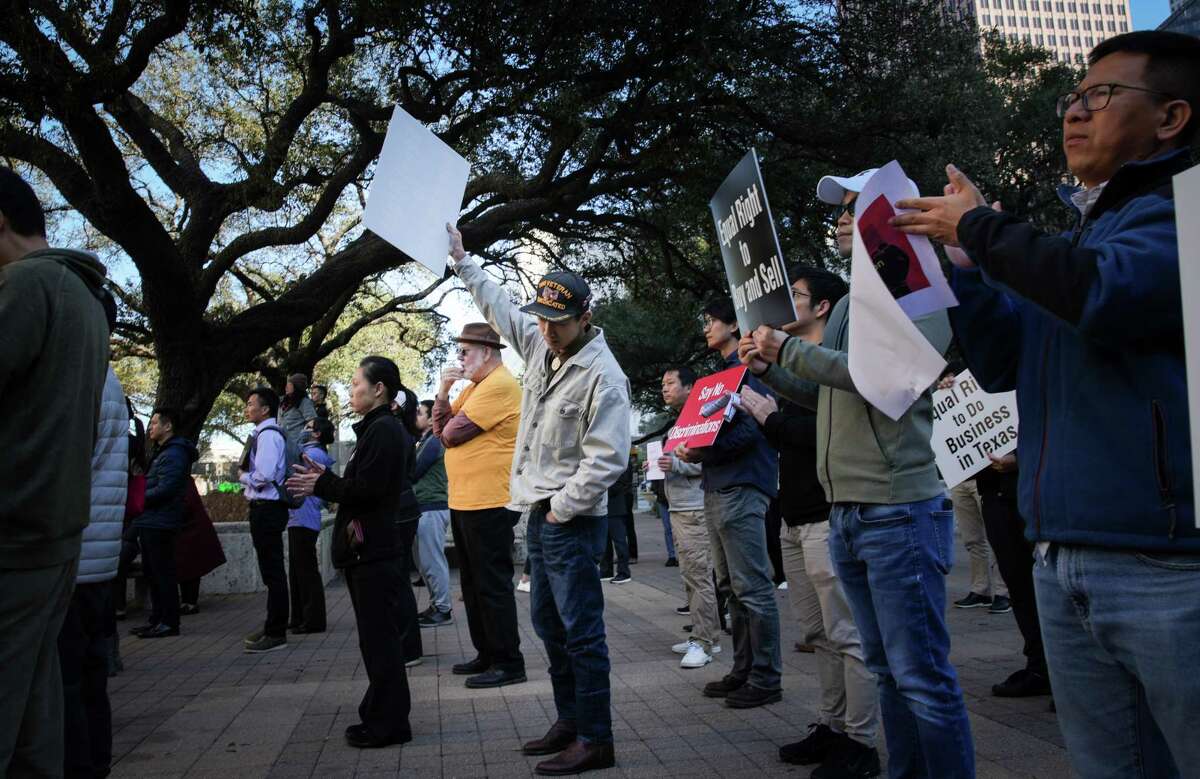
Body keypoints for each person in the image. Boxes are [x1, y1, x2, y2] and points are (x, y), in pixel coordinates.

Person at [891, 31, 1199, 777]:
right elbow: (1005, 362)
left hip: (1166, 568)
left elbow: (1103, 294)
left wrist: (981, 230)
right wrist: (964, 270)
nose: (1075, 113)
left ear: (1171, 118)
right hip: (1063, 557)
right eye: (1072, 97)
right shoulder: (1086, 234)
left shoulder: (1183, 210)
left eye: (1101, 96)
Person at [742, 167, 973, 776]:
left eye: (853, 206)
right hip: (849, 511)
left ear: (891, 214)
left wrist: (784, 349)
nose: (842, 219)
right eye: (841, 209)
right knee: (890, 675)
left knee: (920, 678)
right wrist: (770, 371)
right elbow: (829, 393)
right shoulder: (848, 301)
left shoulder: (919, 288)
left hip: (898, 510)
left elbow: (881, 378)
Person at [447, 223, 630, 776]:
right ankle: (569, 721)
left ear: (585, 319)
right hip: (538, 510)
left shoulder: (605, 375)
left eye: (559, 323)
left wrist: (560, 508)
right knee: (549, 625)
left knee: (581, 630)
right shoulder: (539, 342)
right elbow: (499, 306)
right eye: (543, 321)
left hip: (570, 519)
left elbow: (608, 459)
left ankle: (596, 738)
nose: (547, 332)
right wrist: (462, 259)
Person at [739, 266, 881, 776]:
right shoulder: (790, 372)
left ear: (822, 307)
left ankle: (862, 742)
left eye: (793, 296)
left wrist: (766, 415)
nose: (782, 306)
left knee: (848, 635)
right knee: (819, 634)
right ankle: (832, 724)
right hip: (794, 517)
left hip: (827, 517)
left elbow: (814, 430)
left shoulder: (835, 366)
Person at [0, 166, 112, 777]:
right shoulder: (84, 298)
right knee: (35, 712)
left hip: (14, 529)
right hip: (56, 533)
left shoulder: (26, 287)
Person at [287, 357, 421, 749]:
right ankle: (379, 714)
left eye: (355, 383)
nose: (350, 391)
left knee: (380, 642)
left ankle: (389, 723)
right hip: (371, 551)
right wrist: (326, 483)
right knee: (376, 641)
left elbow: (367, 490)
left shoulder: (383, 431)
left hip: (374, 552)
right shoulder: (379, 430)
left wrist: (322, 484)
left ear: (379, 389)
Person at [677, 297, 782, 710]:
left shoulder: (749, 374)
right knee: (730, 588)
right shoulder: (719, 378)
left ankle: (766, 676)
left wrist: (703, 452)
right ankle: (743, 669)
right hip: (717, 488)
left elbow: (753, 432)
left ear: (734, 325)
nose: (706, 327)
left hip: (741, 486)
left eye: (712, 320)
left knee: (752, 588)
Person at [432, 323, 526, 687]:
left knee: (492, 585)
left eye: (465, 351)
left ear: (487, 351)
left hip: (490, 502)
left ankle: (508, 663)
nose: (460, 358)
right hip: (467, 501)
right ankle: (487, 654)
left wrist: (447, 420)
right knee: (472, 586)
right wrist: (442, 390)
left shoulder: (500, 384)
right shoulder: (474, 388)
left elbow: (451, 434)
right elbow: (440, 430)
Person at [59, 365, 127, 778]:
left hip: (75, 552)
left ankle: (81, 766)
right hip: (98, 556)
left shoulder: (84, 375)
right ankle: (95, 761)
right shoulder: (108, 381)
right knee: (90, 675)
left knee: (69, 680)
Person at [658, 367, 723, 669]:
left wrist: (674, 465)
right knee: (690, 576)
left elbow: (703, 462)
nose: (664, 388)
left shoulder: (702, 416)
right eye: (662, 384)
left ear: (689, 388)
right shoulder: (680, 421)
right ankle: (703, 633)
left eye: (670, 383)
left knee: (699, 576)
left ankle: (704, 643)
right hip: (679, 506)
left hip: (694, 508)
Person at [131, 408, 198, 640]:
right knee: (152, 573)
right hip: (151, 520)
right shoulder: (164, 452)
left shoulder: (175, 453)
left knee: (163, 573)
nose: (151, 427)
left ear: (168, 427)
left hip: (161, 520)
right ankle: (157, 619)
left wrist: (139, 497)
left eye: (155, 423)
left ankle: (169, 621)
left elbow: (167, 487)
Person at [239, 387, 291, 653]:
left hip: (268, 508)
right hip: (265, 508)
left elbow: (265, 475)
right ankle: (273, 624)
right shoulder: (262, 434)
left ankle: (276, 631)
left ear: (265, 409)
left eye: (250, 404)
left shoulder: (269, 436)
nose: (247, 408)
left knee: (273, 572)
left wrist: (244, 477)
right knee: (271, 571)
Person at [287, 417, 335, 634]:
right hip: (299, 517)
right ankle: (299, 617)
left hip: (304, 517)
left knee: (305, 571)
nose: (303, 429)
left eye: (308, 427)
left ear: (316, 434)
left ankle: (312, 619)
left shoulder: (313, 455)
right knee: (298, 571)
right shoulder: (310, 452)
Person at [412, 399, 453, 628]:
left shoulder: (434, 441)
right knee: (424, 563)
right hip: (425, 508)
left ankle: (443, 609)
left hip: (432, 508)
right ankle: (436, 605)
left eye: (420, 413)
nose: (415, 416)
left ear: (430, 419)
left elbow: (414, 471)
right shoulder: (424, 441)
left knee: (432, 562)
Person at [950, 476, 1009, 614]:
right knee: (972, 539)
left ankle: (1004, 591)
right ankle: (980, 589)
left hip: (985, 479)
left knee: (997, 537)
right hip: (959, 479)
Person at [599, 462, 634, 585]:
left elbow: (622, 483)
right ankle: (606, 571)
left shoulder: (621, 460)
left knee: (619, 541)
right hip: (605, 506)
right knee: (605, 542)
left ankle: (624, 572)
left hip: (615, 505)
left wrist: (602, 486)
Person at [279, 373, 318, 444]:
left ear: (296, 387)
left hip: (296, 444)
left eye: (289, 385)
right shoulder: (282, 402)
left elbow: (312, 422)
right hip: (281, 442)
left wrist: (303, 439)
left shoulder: (305, 402)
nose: (286, 387)